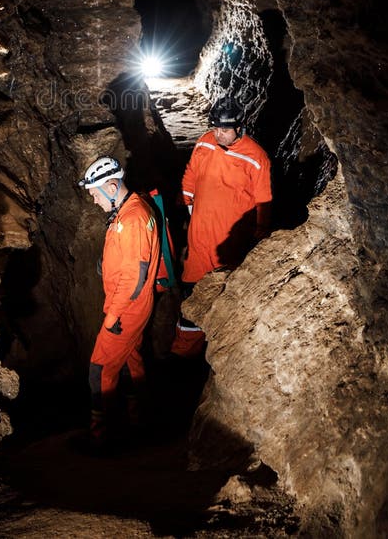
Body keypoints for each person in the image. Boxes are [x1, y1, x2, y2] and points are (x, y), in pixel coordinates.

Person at [171, 95, 272, 357]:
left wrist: (261, 231)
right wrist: (187, 199)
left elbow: (264, 200)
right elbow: (191, 174)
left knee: (221, 299)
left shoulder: (256, 158)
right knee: (192, 299)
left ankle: (216, 354)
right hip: (199, 238)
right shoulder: (206, 141)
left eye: (225, 130)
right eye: (215, 127)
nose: (219, 134)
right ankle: (183, 356)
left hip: (229, 245)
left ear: (240, 127)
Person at [78, 155, 161, 449]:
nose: (94, 201)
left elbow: (133, 279)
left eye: (95, 195)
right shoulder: (128, 211)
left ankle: (102, 438)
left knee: (100, 369)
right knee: (130, 362)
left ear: (111, 187)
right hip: (133, 307)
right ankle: (140, 423)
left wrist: (112, 318)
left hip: (126, 310)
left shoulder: (133, 218)